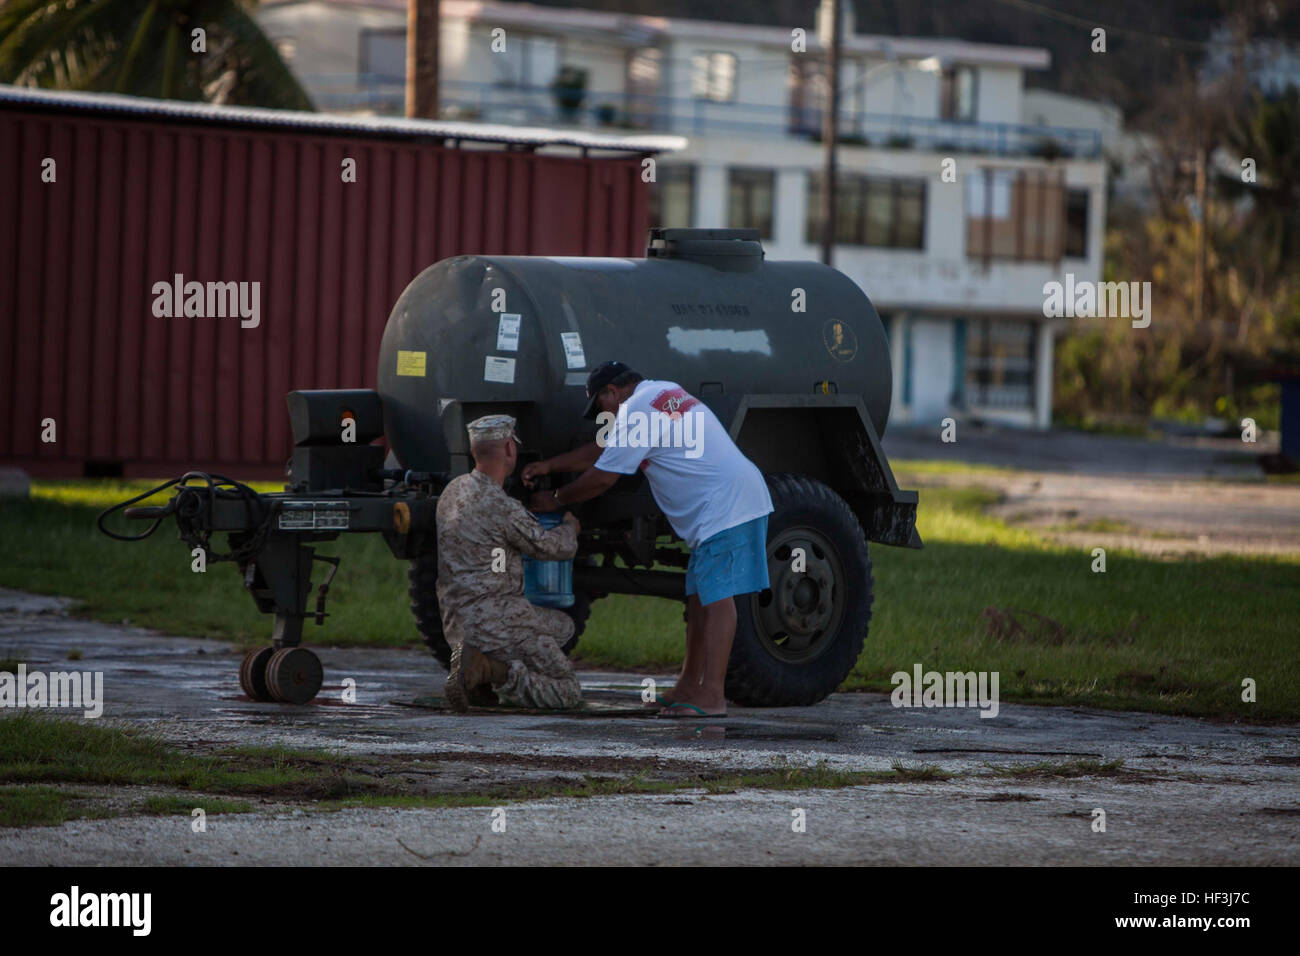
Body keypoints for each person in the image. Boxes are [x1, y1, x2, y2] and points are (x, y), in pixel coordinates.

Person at [524, 361, 773, 718]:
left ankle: (713, 697)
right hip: (727, 501)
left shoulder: (639, 407)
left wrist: (557, 499)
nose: (602, 415)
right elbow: (607, 450)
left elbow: (603, 478)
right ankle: (690, 685)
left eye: (600, 407)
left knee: (718, 600)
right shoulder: (659, 392)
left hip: (727, 506)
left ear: (612, 392)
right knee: (699, 598)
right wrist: (551, 466)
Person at [435, 414, 583, 712]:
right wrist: (570, 526)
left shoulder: (452, 491)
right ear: (509, 449)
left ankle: (481, 676)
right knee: (568, 693)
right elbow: (553, 548)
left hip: (456, 620)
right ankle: (491, 671)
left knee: (563, 626)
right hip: (498, 620)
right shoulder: (503, 507)